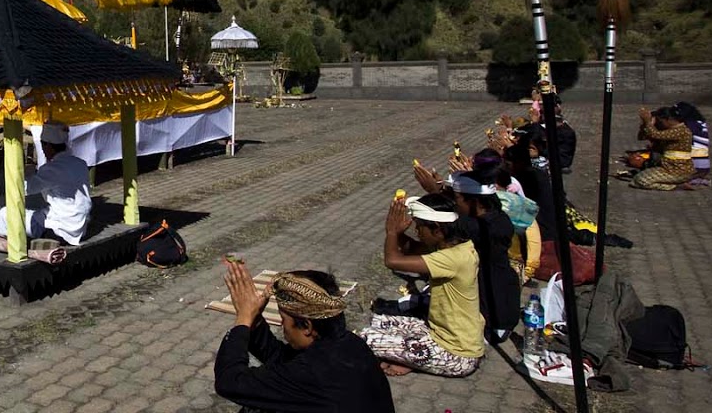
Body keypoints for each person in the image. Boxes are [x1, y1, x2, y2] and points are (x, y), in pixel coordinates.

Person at [214, 262, 395, 412]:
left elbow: (230, 381)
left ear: (307, 326)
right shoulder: (348, 344)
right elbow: (282, 361)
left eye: (283, 319)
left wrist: (243, 319)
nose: (282, 326)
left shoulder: (313, 373)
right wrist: (255, 319)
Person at [365, 194, 484, 377]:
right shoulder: (458, 246)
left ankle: (409, 358)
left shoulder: (453, 258)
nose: (418, 232)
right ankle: (409, 357)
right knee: (379, 321)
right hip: (440, 332)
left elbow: (392, 260)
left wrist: (391, 232)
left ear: (437, 230)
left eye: (420, 228)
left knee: (366, 339)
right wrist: (399, 234)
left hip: (457, 355)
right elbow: (412, 249)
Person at [414, 162, 521, 342]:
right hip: (504, 306)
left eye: (457, 198)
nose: (454, 203)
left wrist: (435, 193)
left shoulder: (480, 228)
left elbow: (449, 224)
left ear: (474, 201)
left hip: (491, 317)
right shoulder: (497, 217)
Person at [0, 122, 90, 245]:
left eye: (43, 146)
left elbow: (24, 188)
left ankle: (2, 245)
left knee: (4, 213)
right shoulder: (80, 163)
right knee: (39, 211)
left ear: (48, 146)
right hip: (79, 226)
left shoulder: (52, 169)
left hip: (61, 230)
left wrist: (11, 173)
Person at [629, 106, 694, 190]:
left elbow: (655, 134)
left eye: (661, 121)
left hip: (677, 171)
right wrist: (646, 124)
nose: (660, 124)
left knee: (640, 180)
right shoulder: (672, 130)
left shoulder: (681, 131)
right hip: (669, 167)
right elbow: (642, 137)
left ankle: (674, 186)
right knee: (638, 175)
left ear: (669, 119)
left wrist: (648, 121)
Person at [674, 101, 710, 188]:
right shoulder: (700, 123)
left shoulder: (689, 125)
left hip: (694, 163)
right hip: (704, 164)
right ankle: (697, 178)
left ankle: (687, 180)